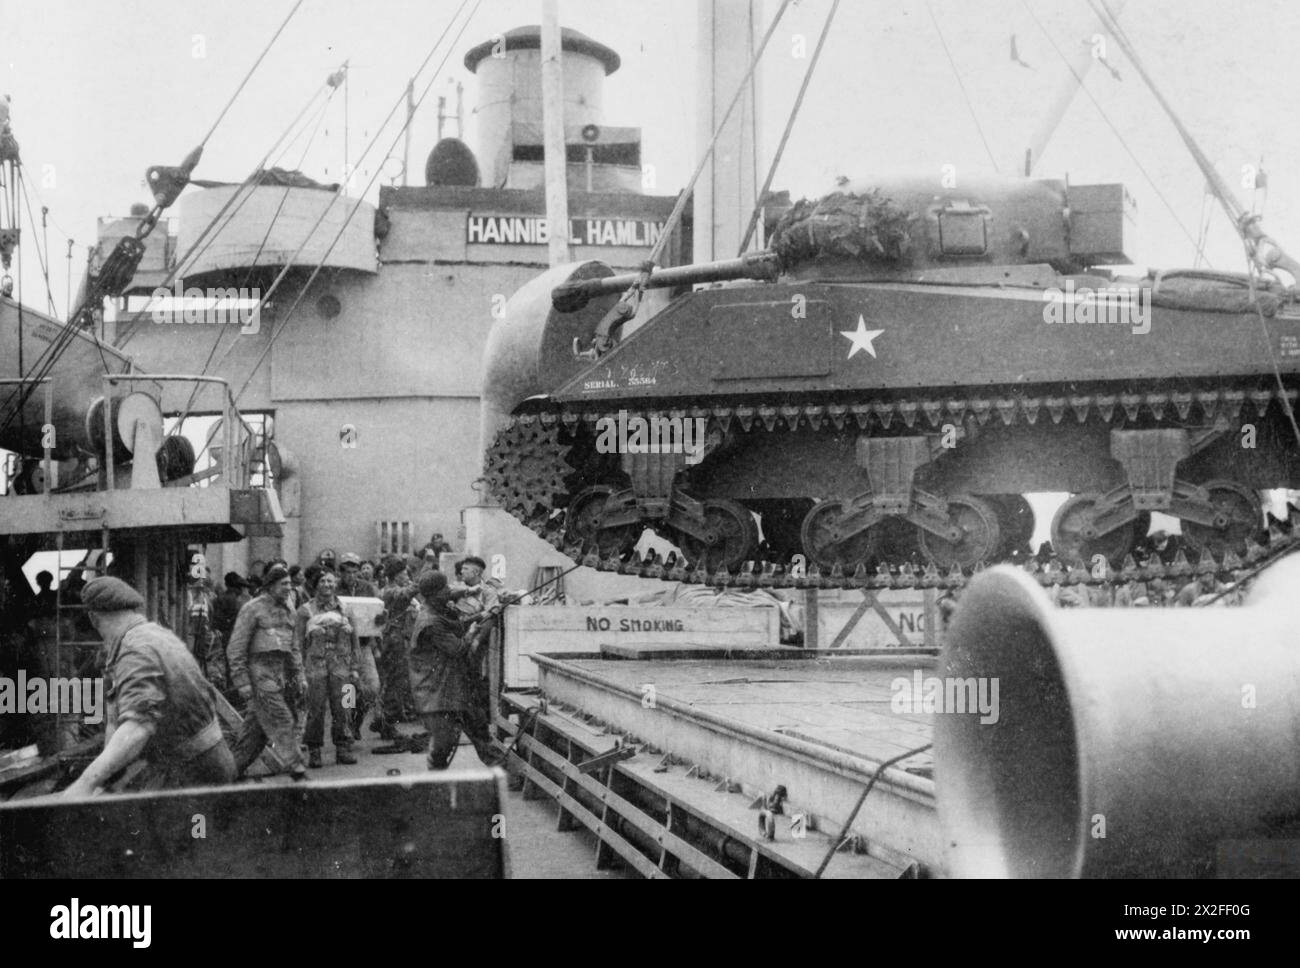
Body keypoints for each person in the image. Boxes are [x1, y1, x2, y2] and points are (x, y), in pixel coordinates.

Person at [64, 577, 235, 795]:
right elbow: (117, 720)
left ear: (93, 619)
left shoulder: (135, 650)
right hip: (200, 765)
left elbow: (137, 727)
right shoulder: (154, 635)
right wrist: (106, 779)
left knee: (191, 829)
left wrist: (85, 783)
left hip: (193, 774)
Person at [407, 571, 502, 771]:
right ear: (434, 594)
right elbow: (458, 648)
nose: (449, 590)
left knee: (479, 729)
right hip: (437, 693)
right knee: (444, 742)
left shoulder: (436, 612)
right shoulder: (430, 622)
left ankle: (503, 771)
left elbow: (455, 624)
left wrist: (483, 615)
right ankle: (437, 780)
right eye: (445, 588)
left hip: (454, 686)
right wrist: (473, 632)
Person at [226, 564, 308, 781]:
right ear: (270, 586)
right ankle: (297, 769)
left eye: (290, 584)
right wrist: (242, 682)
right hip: (258, 672)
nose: (288, 588)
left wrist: (299, 676)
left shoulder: (289, 610)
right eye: (283, 584)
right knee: (281, 718)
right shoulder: (252, 608)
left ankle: (227, 774)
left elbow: (294, 648)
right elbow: (236, 647)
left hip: (279, 672)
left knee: (256, 734)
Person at [297, 570, 359, 767]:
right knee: (315, 708)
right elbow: (298, 643)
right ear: (316, 585)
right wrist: (298, 671)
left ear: (336, 584)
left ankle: (344, 747)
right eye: (322, 581)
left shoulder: (346, 609)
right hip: (315, 665)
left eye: (330, 581)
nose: (326, 584)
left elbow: (355, 640)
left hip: (343, 664)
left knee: (346, 705)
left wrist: (355, 667)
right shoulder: (305, 610)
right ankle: (314, 750)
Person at [338, 552, 382, 738]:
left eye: (354, 571)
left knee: (372, 688)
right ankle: (348, 727)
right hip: (342, 647)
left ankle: (357, 719)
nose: (351, 575)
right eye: (347, 572)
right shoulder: (334, 589)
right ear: (341, 572)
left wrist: (380, 624)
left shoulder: (368, 588)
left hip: (364, 646)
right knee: (348, 689)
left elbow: (377, 615)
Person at [377, 557, 419, 735]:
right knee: (395, 681)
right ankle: (387, 722)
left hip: (396, 638)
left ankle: (385, 719)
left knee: (394, 681)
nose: (406, 576)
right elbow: (404, 595)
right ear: (395, 576)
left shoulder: (391, 590)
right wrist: (422, 580)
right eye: (403, 574)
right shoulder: (389, 591)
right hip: (393, 640)